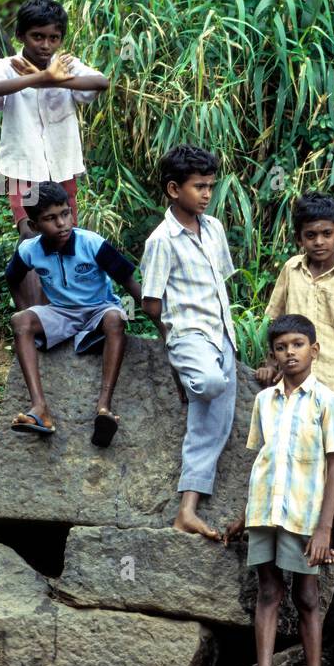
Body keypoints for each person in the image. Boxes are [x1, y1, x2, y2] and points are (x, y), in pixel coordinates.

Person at [256, 193, 334, 561]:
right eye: (310, 235)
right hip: (294, 381)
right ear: (299, 238)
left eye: (326, 234)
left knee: (328, 454)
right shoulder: (291, 270)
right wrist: (271, 362)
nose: (318, 242)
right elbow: (275, 320)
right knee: (296, 451)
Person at [241, 314, 334, 666]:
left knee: (307, 597)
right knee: (268, 593)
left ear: (314, 350)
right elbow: (262, 458)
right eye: (282, 347)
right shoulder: (264, 401)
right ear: (274, 354)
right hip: (264, 509)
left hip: (305, 514)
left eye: (298, 345)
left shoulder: (327, 401)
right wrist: (243, 515)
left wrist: (325, 527)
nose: (290, 353)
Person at [0, 0, 109, 310]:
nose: (45, 44)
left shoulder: (66, 65)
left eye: (54, 37)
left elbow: (101, 81)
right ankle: (35, 312)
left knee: (66, 235)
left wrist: (59, 78)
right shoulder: (7, 67)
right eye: (37, 36)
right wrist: (42, 79)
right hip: (23, 168)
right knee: (29, 237)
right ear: (21, 36)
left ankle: (71, 307)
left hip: (62, 167)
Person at [140, 145, 239, 539]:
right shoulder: (162, 240)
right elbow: (151, 303)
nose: (206, 194)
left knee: (212, 426)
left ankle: (188, 510)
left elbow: (221, 286)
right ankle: (190, 374)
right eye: (199, 186)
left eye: (210, 186)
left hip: (222, 336)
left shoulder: (213, 228)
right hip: (188, 334)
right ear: (173, 189)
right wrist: (175, 351)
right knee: (210, 384)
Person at [4, 182, 144, 447]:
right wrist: (24, 307)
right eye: (50, 218)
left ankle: (104, 409)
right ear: (33, 226)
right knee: (20, 321)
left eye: (66, 214)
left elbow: (129, 282)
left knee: (116, 319)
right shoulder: (29, 250)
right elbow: (12, 277)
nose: (62, 223)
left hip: (100, 308)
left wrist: (159, 321)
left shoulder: (91, 243)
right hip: (61, 312)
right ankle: (39, 408)